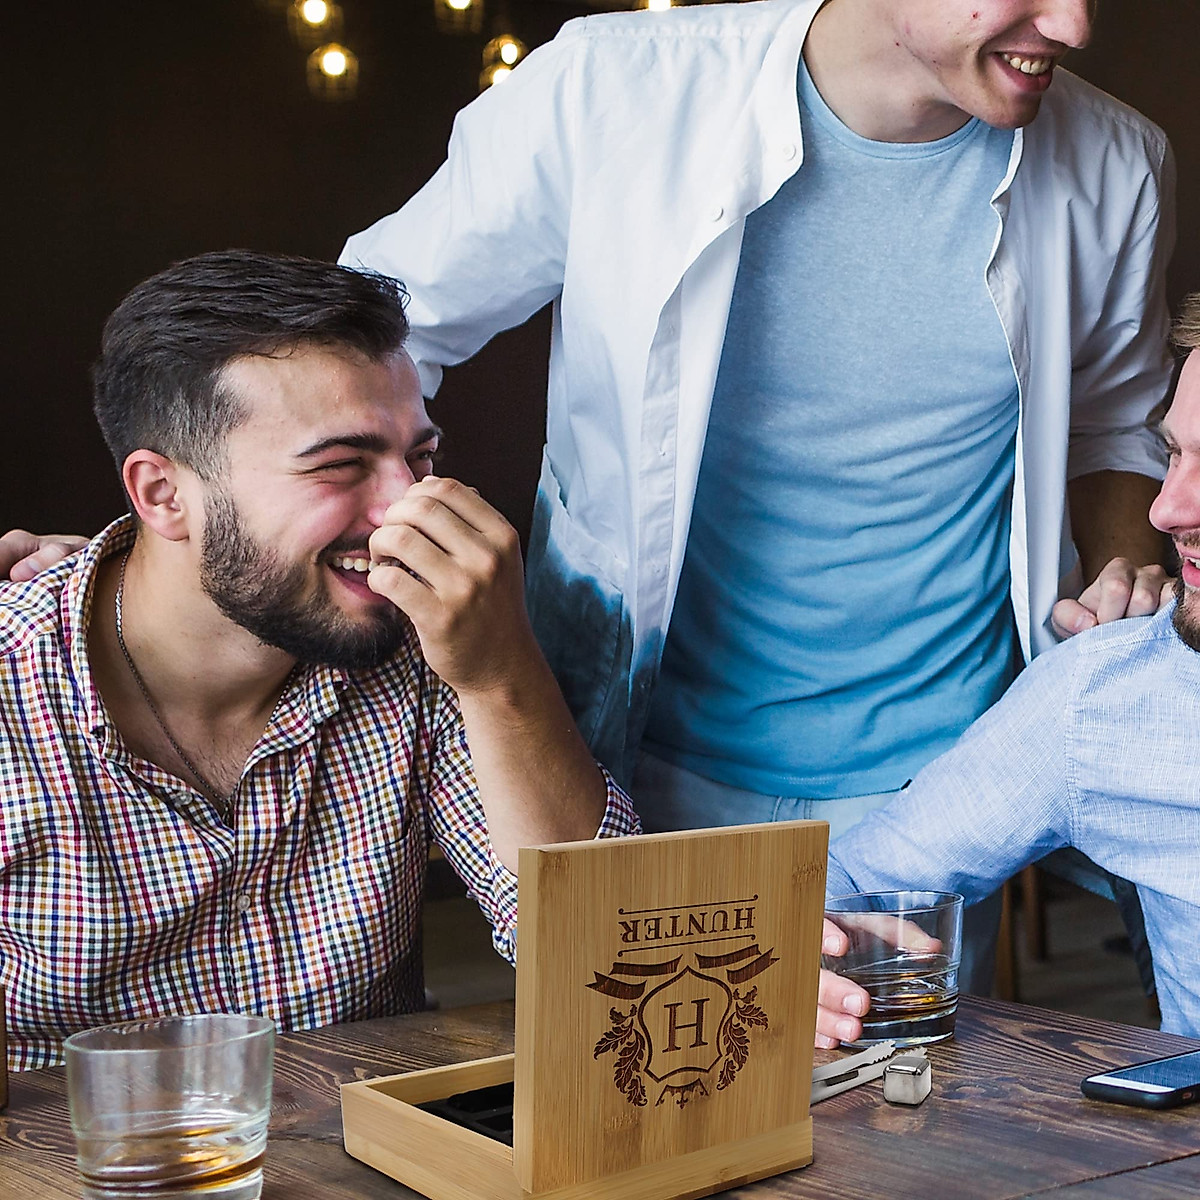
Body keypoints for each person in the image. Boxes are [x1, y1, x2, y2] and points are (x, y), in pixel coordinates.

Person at [2, 1, 1176, 986]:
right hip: (629, 752)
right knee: (642, 1078)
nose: (1072, 24)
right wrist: (171, 550)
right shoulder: (610, 90)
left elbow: (1114, 420)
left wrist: (1123, 575)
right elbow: (347, 345)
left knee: (896, 1122)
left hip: (940, 767)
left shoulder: (1119, 161)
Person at [0, 250, 638, 1072]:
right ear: (163, 494)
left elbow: (609, 957)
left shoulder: (429, 646)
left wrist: (501, 673)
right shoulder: (18, 679)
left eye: (419, 458)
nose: (401, 507)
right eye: (339, 465)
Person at [816, 296, 1200, 1046]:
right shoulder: (1110, 696)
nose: (1164, 511)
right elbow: (845, 884)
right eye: (1174, 456)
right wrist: (809, 964)